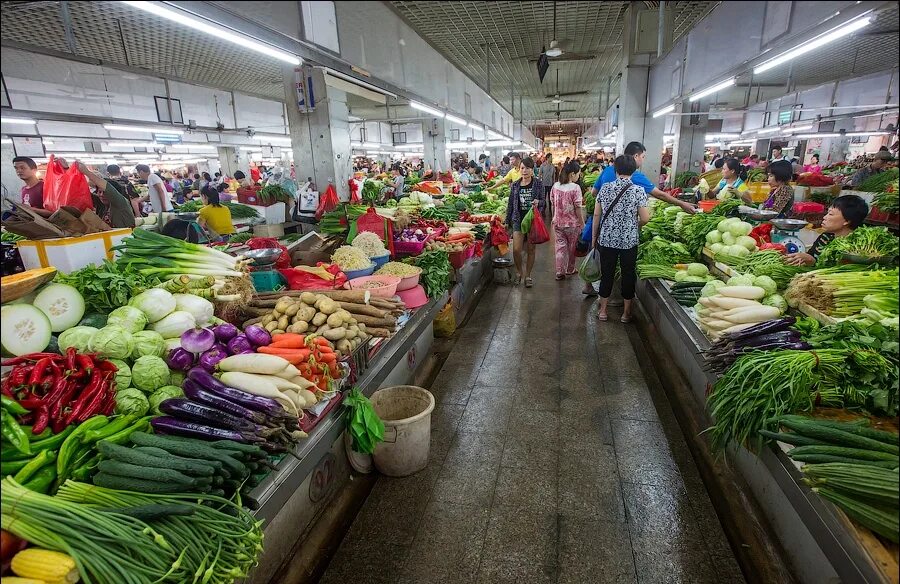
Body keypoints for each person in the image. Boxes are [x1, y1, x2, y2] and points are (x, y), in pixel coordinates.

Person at [592, 155, 650, 323]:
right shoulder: (638, 190)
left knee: (607, 274)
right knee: (628, 274)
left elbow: (596, 215)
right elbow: (645, 218)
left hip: (607, 239)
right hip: (629, 241)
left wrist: (594, 236)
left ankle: (603, 311)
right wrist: (634, 225)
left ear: (615, 170)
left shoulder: (605, 188)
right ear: (634, 170)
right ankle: (626, 313)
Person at [784, 195, 869, 267]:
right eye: (827, 213)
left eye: (831, 214)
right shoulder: (826, 236)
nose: (824, 217)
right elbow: (811, 256)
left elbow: (837, 271)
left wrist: (812, 261)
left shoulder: (857, 248)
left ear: (847, 221)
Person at [505, 156, 545, 288]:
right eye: (522, 168)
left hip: (533, 220)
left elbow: (544, 202)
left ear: (532, 170)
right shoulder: (515, 185)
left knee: (531, 249)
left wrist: (539, 202)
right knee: (516, 249)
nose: (524, 171)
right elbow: (511, 203)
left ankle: (528, 275)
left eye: (527, 168)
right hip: (518, 218)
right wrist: (507, 221)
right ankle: (519, 272)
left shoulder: (538, 184)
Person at [75, 161, 135, 229]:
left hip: (123, 235)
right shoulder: (102, 204)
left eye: (105, 192)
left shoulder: (121, 203)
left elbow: (107, 187)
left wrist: (86, 172)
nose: (101, 195)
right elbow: (83, 193)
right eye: (99, 192)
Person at [551, 160, 585, 280]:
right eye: (578, 174)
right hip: (572, 224)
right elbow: (578, 208)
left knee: (560, 247)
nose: (578, 176)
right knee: (572, 248)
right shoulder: (576, 188)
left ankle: (559, 271)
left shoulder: (555, 186)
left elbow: (552, 203)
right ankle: (570, 269)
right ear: (572, 174)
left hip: (558, 222)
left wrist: (554, 217)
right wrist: (582, 223)